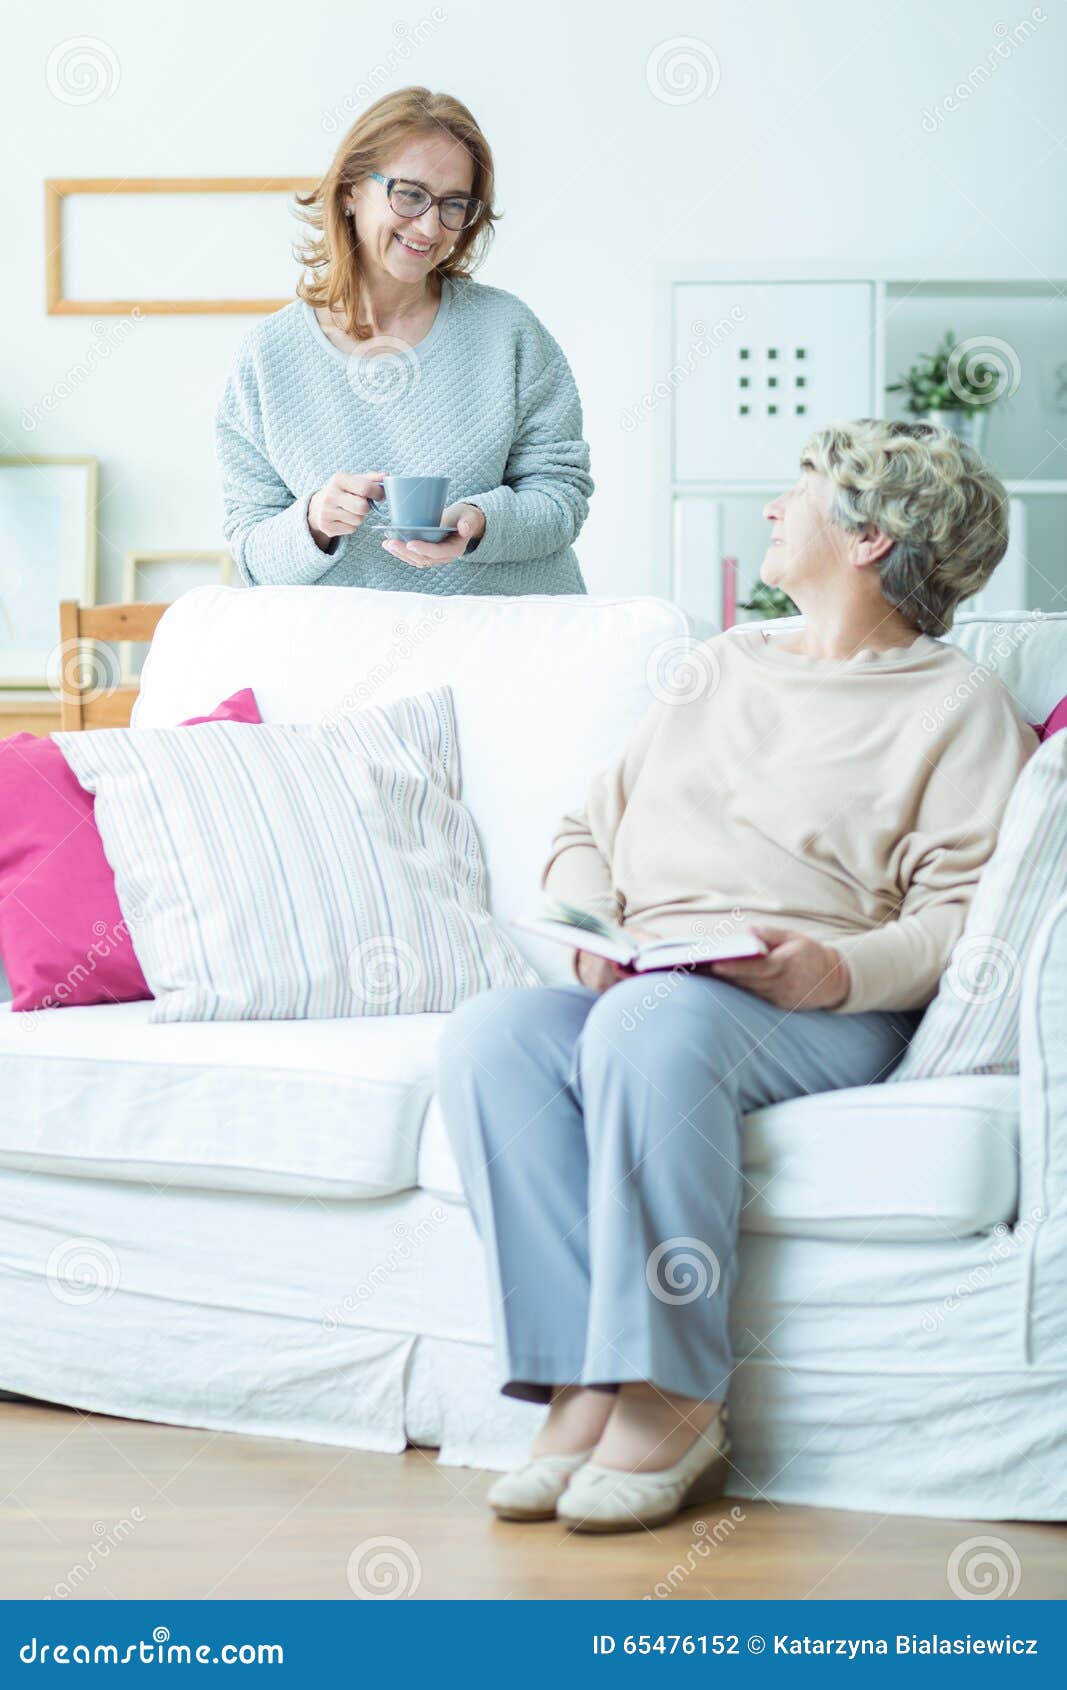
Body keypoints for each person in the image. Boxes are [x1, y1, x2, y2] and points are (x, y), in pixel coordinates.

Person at [436, 419, 1037, 1533]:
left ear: (869, 537)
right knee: (492, 1034)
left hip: (810, 1004)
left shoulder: (954, 707)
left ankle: (676, 1401)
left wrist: (830, 972)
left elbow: (961, 920)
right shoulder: (714, 666)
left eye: (801, 486)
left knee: (649, 1027)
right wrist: (585, 929)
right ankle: (577, 1380)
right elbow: (584, 830)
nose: (773, 507)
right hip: (650, 978)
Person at [215, 87, 592, 593]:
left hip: (512, 648)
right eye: (409, 194)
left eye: (453, 204)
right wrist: (314, 522)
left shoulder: (510, 332)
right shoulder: (268, 357)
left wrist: (480, 524)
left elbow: (562, 497)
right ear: (350, 189)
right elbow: (251, 554)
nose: (430, 226)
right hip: (350, 658)